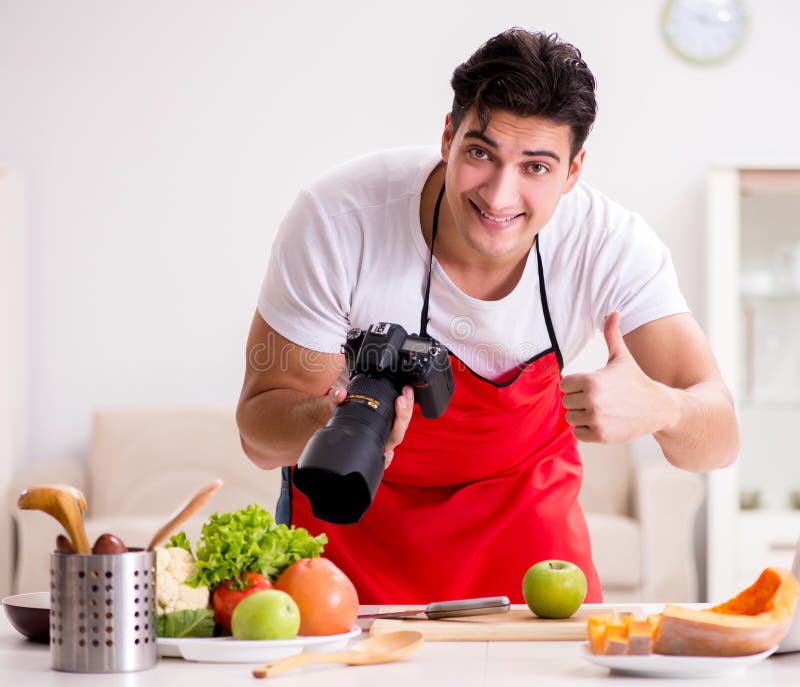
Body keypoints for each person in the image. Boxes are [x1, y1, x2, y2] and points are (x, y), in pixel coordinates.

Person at [236, 28, 739, 604]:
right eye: (481, 153)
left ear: (574, 171)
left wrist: (663, 407)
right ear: (447, 137)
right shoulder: (339, 219)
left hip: (525, 523)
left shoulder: (611, 245)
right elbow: (259, 436)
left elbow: (720, 440)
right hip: (351, 522)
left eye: (536, 167)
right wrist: (334, 409)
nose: (500, 197)